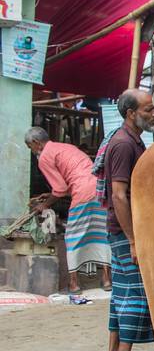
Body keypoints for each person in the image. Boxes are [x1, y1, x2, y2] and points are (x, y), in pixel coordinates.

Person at [103, 90, 154, 351]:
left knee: (121, 296)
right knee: (135, 297)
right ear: (130, 113)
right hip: (125, 231)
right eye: (148, 110)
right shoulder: (124, 144)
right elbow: (119, 195)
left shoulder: (132, 140)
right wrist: (134, 239)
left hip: (123, 230)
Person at [25, 126, 112, 297]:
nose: (32, 151)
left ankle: (73, 284)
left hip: (82, 193)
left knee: (72, 237)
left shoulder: (44, 157)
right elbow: (69, 180)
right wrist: (50, 195)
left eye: (30, 147)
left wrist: (45, 205)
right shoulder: (66, 147)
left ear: (36, 143)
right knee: (101, 234)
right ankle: (107, 280)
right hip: (100, 190)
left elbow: (60, 188)